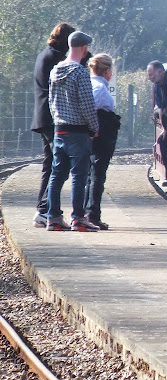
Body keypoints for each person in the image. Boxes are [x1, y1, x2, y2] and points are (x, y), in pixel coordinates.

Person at [45, 31, 100, 232]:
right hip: (78, 132)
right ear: (84, 48)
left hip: (59, 129)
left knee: (57, 175)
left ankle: (53, 218)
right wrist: (94, 127)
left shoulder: (55, 71)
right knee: (79, 175)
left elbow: (51, 101)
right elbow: (87, 104)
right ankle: (78, 218)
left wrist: (58, 121)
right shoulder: (80, 72)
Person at [31, 23, 76, 227]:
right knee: (60, 163)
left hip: (42, 117)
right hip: (51, 118)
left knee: (49, 164)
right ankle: (45, 210)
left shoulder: (44, 55)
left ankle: (42, 210)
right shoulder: (56, 59)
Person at [84, 54, 121, 230]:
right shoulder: (99, 88)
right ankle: (92, 214)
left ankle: (86, 212)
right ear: (106, 71)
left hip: (93, 135)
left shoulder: (89, 85)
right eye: (111, 70)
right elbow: (92, 109)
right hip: (101, 136)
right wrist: (95, 129)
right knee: (97, 176)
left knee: (89, 175)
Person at [146, 60, 167, 186]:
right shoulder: (157, 86)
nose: (149, 78)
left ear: (160, 72)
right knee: (163, 140)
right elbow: (161, 108)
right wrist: (165, 129)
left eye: (151, 74)